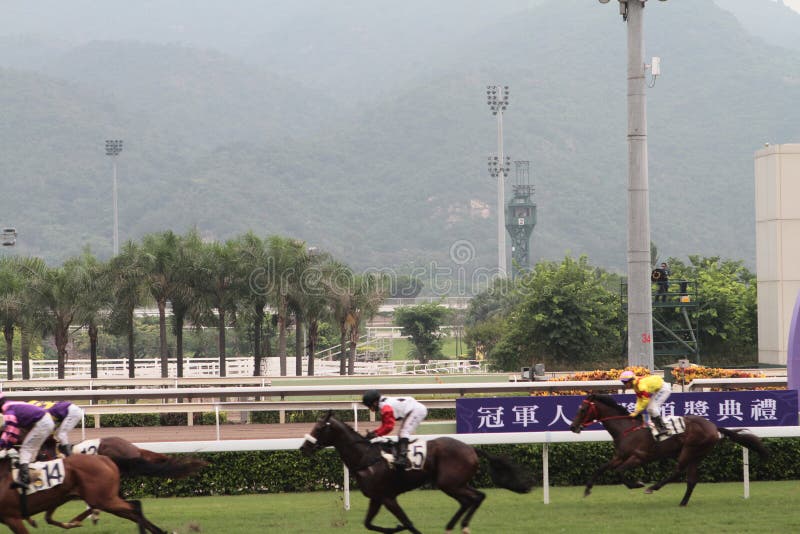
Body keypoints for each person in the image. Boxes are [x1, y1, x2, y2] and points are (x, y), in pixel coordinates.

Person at [361, 389, 428, 469]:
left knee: (404, 433)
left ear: (375, 402)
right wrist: (375, 433)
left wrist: (375, 434)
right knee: (401, 433)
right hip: (412, 410)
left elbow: (389, 427)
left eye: (370, 406)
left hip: (417, 410)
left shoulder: (385, 408)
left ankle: (403, 459)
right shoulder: (383, 404)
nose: (371, 409)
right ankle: (401, 455)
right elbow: (385, 426)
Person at [0, 396, 55, 490]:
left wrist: (3, 446)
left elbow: (11, 432)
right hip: (44, 421)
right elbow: (13, 432)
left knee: (26, 449)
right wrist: (5, 446)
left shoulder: (9, 411)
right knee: (30, 451)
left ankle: (24, 480)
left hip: (42, 423)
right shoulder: (11, 406)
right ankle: (34, 475)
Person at [619, 370, 672, 437]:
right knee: (650, 409)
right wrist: (636, 411)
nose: (625, 384)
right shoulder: (636, 386)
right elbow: (639, 399)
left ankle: (663, 429)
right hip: (658, 389)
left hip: (663, 389)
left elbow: (645, 400)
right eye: (623, 382)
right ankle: (657, 426)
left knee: (652, 408)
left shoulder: (641, 385)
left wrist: (637, 411)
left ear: (631, 381)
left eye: (625, 382)